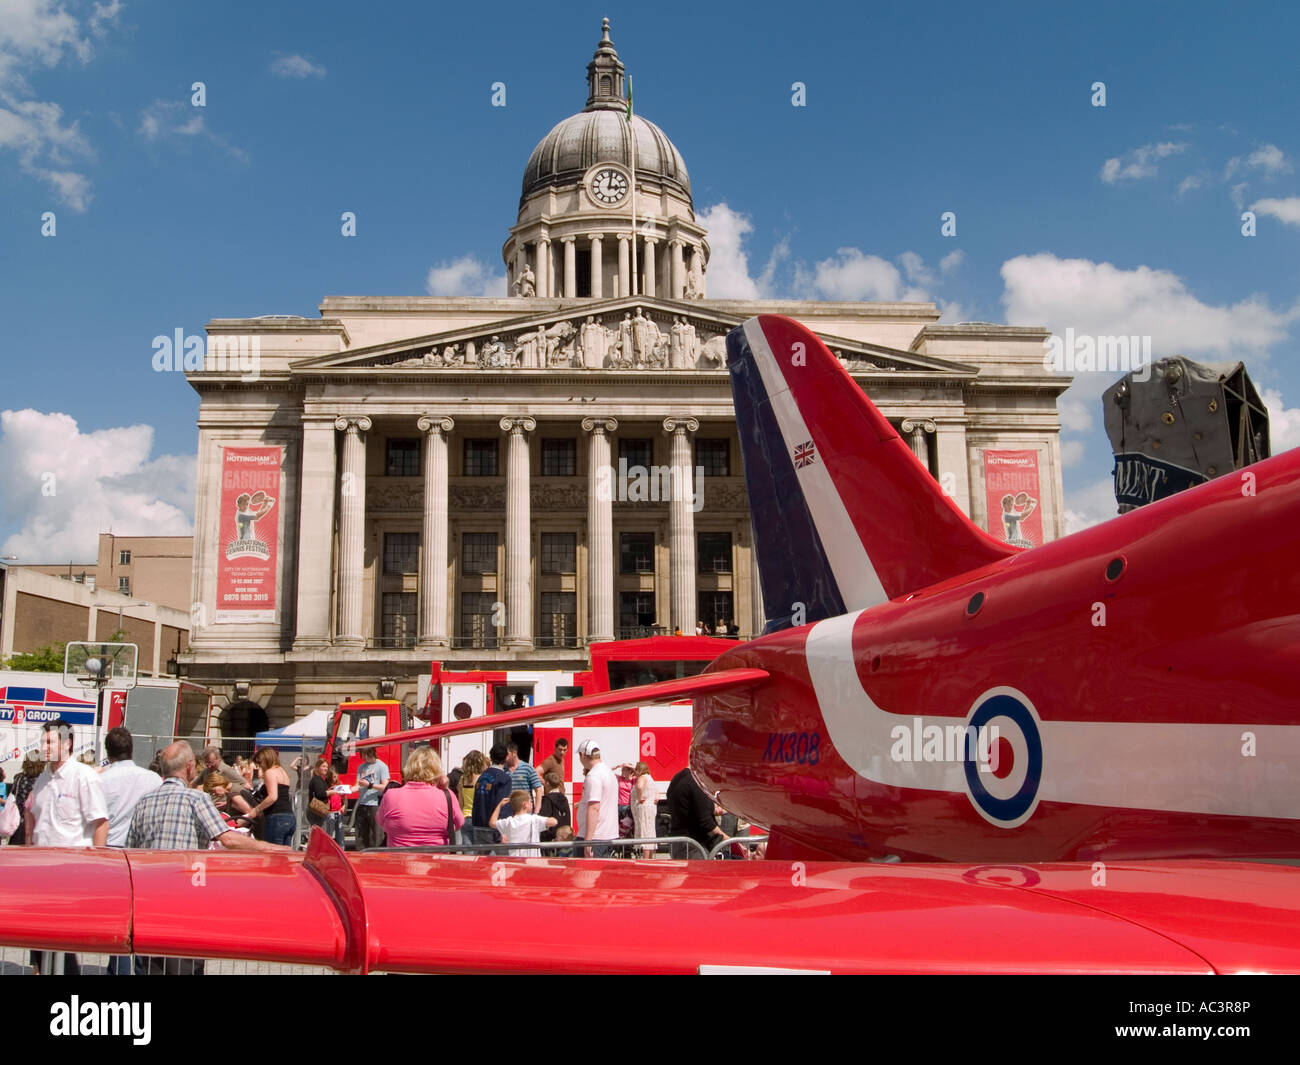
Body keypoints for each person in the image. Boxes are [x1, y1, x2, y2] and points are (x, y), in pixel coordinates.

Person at [127, 741, 288, 973]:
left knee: (153, 964)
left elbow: (132, 852)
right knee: (183, 964)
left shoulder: (144, 801)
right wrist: (271, 848)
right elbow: (228, 839)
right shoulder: (196, 799)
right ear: (190, 767)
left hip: (149, 897)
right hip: (184, 896)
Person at [25, 720, 108, 977]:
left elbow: (100, 821)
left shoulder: (83, 776)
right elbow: (36, 821)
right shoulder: (43, 779)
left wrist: (98, 864)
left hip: (70, 871)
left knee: (61, 939)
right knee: (41, 937)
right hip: (41, 872)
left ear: (67, 743)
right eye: (42, 742)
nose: (44, 747)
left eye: (49, 742)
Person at [377, 747, 463, 847]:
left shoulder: (391, 795)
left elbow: (381, 822)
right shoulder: (447, 796)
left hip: (399, 859)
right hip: (436, 859)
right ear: (437, 770)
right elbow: (458, 824)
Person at [99, 727, 163, 848]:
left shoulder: (101, 781)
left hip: (109, 847)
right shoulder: (154, 779)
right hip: (141, 851)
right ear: (131, 750)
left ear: (108, 753)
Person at [667, 766, 726, 859]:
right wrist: (730, 840)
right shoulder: (696, 782)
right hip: (693, 846)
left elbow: (688, 808)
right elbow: (706, 823)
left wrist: (711, 809)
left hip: (679, 842)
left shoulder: (678, 777)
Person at [575, 739, 618, 858]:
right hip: (608, 835)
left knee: (584, 875)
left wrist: (588, 841)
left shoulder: (594, 775)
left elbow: (594, 807)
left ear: (582, 755)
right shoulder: (609, 772)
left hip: (594, 836)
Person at [243, 748, 295, 845]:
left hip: (276, 817)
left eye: (260, 762)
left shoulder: (270, 772)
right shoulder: (283, 771)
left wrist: (256, 809)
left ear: (267, 759)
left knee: (272, 853)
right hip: (289, 816)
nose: (260, 766)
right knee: (285, 854)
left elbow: (273, 797)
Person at [489, 789, 557, 857]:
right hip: (532, 861)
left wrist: (499, 805)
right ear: (525, 805)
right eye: (530, 801)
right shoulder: (533, 819)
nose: (531, 803)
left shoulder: (509, 822)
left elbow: (492, 823)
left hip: (515, 860)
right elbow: (554, 822)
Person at [471, 744, 514, 849]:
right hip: (494, 827)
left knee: (481, 862)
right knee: (498, 862)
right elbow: (503, 803)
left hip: (478, 824)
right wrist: (503, 829)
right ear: (506, 757)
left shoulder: (482, 776)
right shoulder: (504, 778)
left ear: (491, 757)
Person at [355, 746, 389, 849]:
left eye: (365, 755)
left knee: (376, 836)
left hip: (375, 805)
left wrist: (370, 785)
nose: (364, 758)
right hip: (362, 803)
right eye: (362, 755)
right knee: (361, 835)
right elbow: (357, 785)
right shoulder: (361, 767)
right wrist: (345, 790)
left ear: (371, 753)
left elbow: (385, 787)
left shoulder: (381, 766)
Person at [7, 752, 43, 846]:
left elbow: (15, 794)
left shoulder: (18, 778)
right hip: (38, 826)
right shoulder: (43, 779)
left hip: (19, 824)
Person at [307, 757, 345, 846]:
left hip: (320, 810)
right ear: (318, 767)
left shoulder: (321, 779)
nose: (325, 769)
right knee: (319, 832)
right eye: (323, 766)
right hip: (317, 811)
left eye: (326, 767)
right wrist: (333, 792)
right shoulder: (317, 779)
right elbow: (320, 794)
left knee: (320, 832)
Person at [505, 742, 542, 812]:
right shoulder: (503, 770)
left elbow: (538, 789)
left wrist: (537, 811)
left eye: (507, 754)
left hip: (526, 813)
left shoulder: (527, 768)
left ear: (514, 753)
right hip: (509, 814)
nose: (505, 757)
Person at [632, 761, 657, 857]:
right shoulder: (650, 778)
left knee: (645, 833)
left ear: (639, 770)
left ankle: (645, 859)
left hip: (644, 809)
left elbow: (639, 787)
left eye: (636, 769)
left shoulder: (642, 777)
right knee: (650, 833)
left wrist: (639, 797)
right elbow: (656, 791)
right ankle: (650, 858)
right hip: (651, 808)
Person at [538, 770, 570, 843]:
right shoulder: (564, 799)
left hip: (550, 840)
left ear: (547, 783)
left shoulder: (547, 800)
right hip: (564, 837)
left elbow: (544, 819)